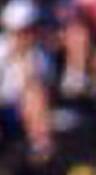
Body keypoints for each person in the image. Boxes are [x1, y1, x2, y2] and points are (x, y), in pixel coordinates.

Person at [0, 0, 55, 164]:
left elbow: (42, 88)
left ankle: (41, 148)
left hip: (23, 110)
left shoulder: (40, 55)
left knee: (34, 94)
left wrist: (24, 62)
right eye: (22, 31)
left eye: (30, 30)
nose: (27, 35)